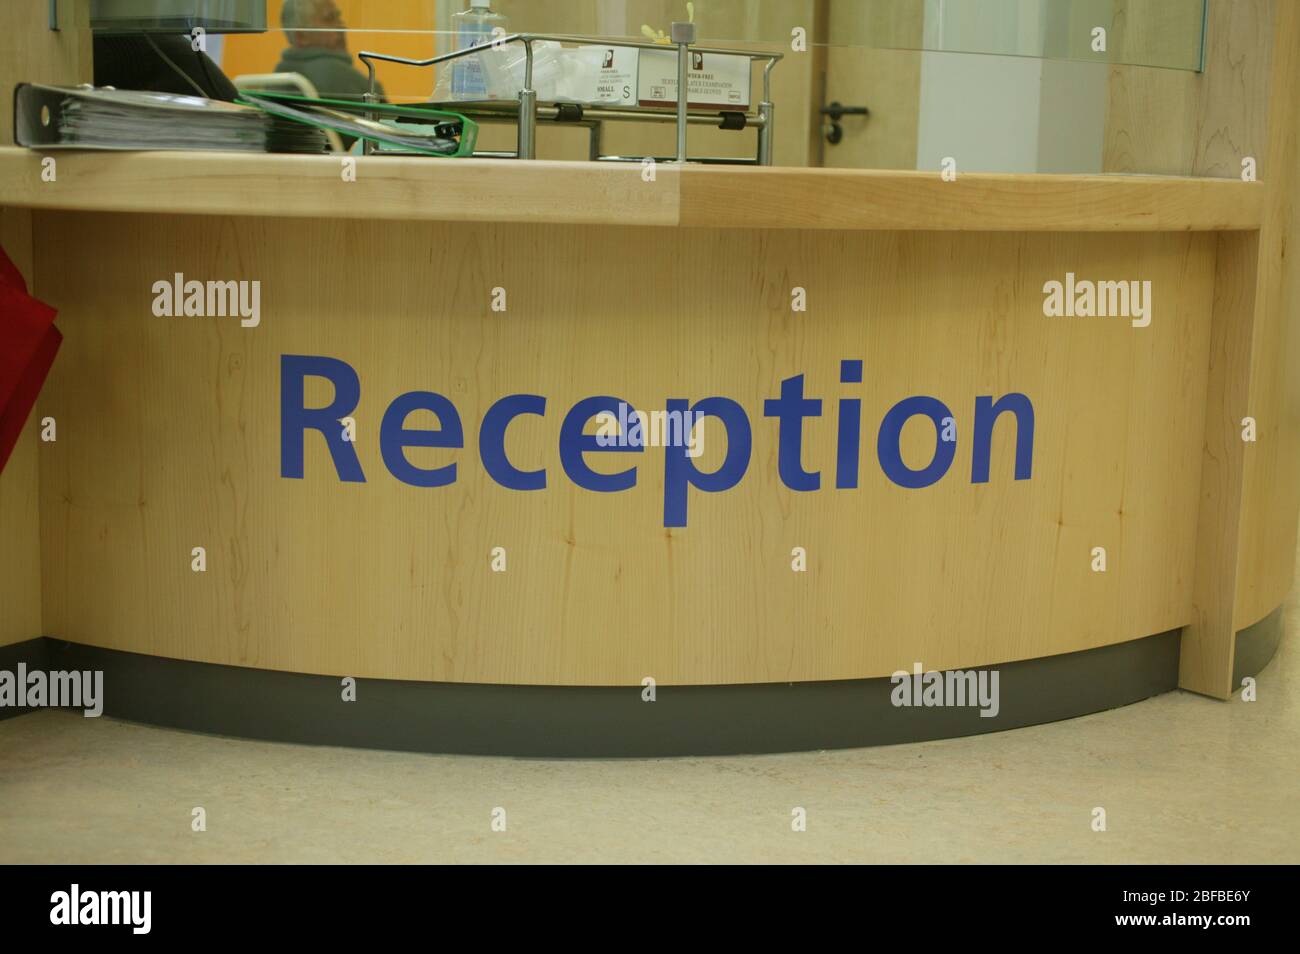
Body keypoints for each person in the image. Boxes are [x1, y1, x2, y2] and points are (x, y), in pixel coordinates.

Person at [274, 0, 385, 102]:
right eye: (330, 18)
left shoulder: (279, 74)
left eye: (338, 17)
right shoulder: (335, 73)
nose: (341, 27)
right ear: (301, 36)